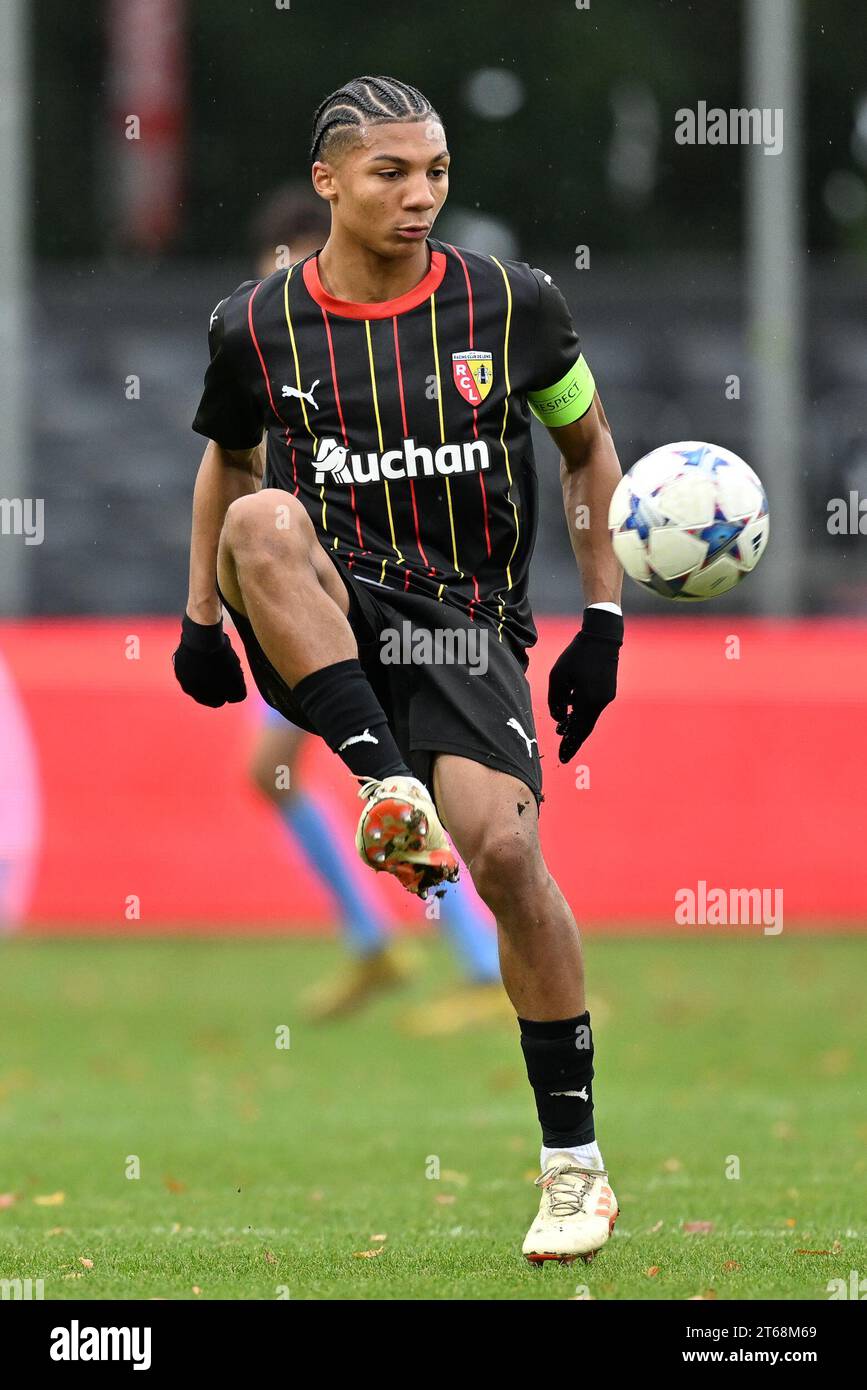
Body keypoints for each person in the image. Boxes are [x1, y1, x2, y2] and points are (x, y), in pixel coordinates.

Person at [174, 75, 624, 1263]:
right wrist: (200, 618)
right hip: (330, 603)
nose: (420, 194)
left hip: (470, 622)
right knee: (265, 520)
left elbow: (586, 447)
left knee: (508, 857)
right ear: (328, 181)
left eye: (435, 172)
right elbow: (229, 465)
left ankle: (575, 1168)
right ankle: (385, 781)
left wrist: (604, 619)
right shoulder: (254, 324)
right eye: (392, 173)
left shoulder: (513, 304)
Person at [246, 184, 508, 1030]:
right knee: (280, 773)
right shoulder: (268, 346)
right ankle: (376, 943)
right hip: (304, 600)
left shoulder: (379, 355)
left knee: (408, 779)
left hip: (368, 598)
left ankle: (482, 963)